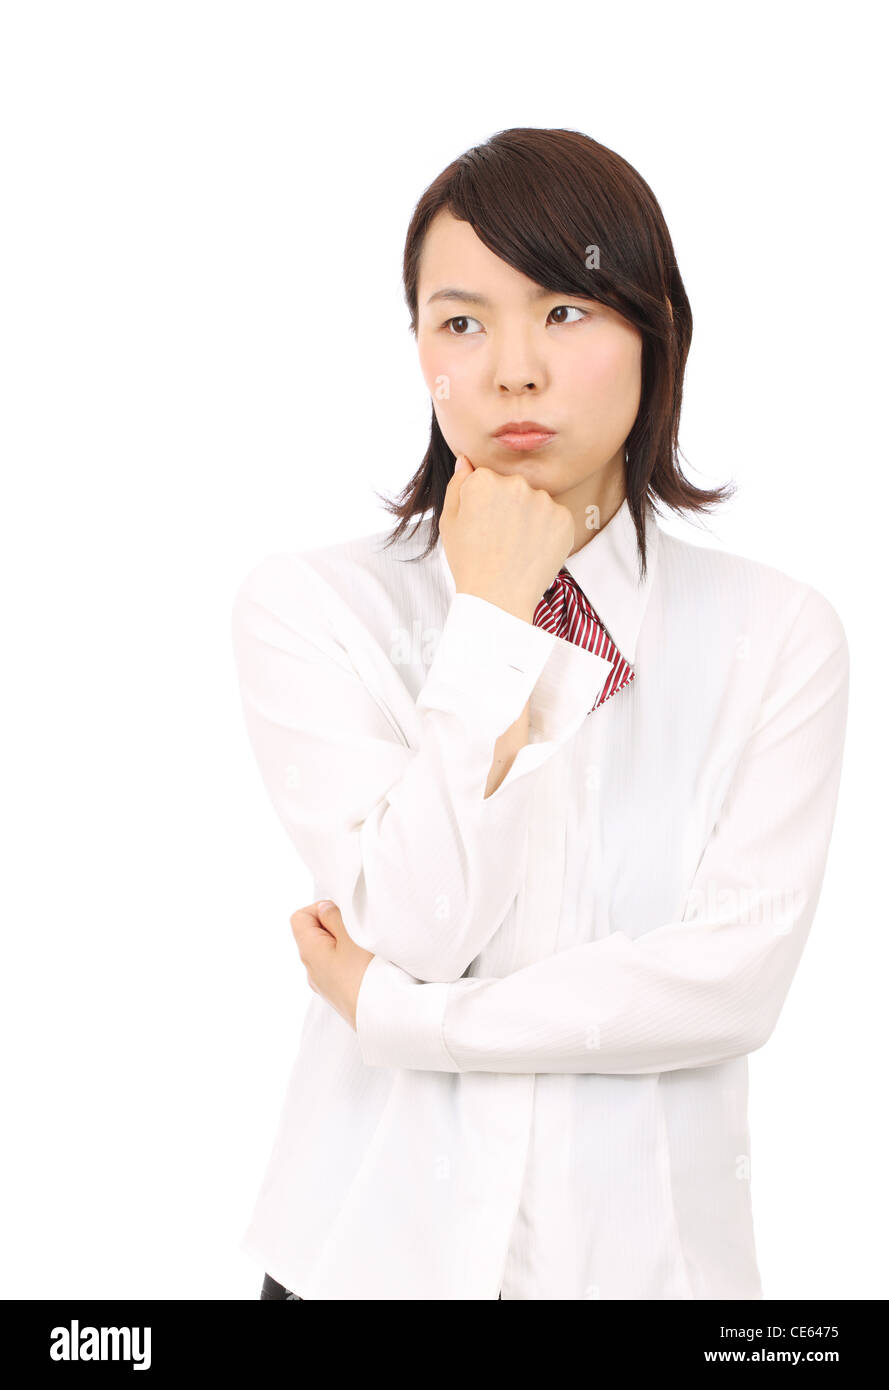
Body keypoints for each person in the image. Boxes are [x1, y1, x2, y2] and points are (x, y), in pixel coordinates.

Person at [231, 127, 850, 1300]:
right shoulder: (316, 607)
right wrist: (494, 622)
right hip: (363, 1263)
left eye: (565, 310)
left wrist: (404, 1021)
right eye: (459, 321)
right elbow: (412, 924)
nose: (512, 367)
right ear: (420, 352)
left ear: (654, 328)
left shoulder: (775, 634)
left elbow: (728, 984)